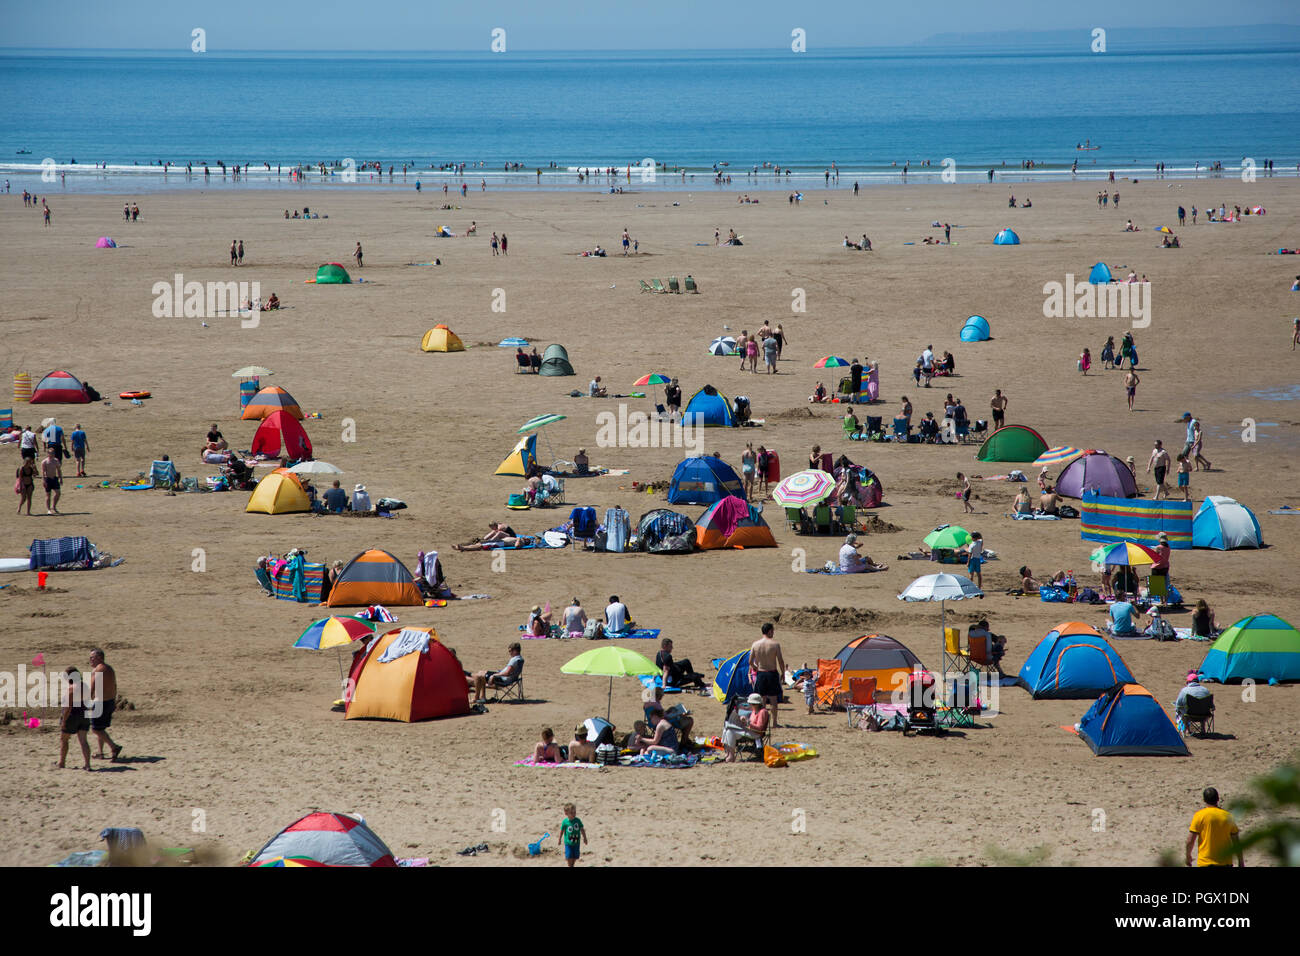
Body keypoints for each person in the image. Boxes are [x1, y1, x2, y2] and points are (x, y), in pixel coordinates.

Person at [1186, 788, 1243, 867]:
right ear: (1218, 799)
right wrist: (1241, 861)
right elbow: (1236, 842)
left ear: (1204, 800)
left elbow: (1190, 841)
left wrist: (1188, 856)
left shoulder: (1199, 816)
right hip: (1225, 863)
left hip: (1205, 862)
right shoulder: (1228, 816)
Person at [750, 622, 786, 728]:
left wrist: (755, 668)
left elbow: (750, 661)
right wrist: (783, 672)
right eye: (773, 631)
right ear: (769, 631)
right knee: (773, 700)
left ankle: (762, 722)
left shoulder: (755, 644)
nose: (773, 633)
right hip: (771, 673)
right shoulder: (775, 644)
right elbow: (780, 660)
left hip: (761, 673)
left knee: (762, 700)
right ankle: (774, 723)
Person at [88, 648, 122, 761]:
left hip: (100, 703)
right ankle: (100, 753)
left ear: (99, 658)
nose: (90, 660)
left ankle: (114, 747)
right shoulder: (109, 669)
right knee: (101, 728)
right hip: (110, 701)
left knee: (96, 729)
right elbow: (115, 685)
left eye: (92, 657)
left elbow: (92, 687)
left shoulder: (97, 670)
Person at [58, 667, 92, 771]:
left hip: (72, 716)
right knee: (83, 741)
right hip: (84, 714)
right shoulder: (85, 686)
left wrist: (64, 720)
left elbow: (68, 707)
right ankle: (87, 764)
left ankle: (62, 762)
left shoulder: (71, 688)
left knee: (64, 740)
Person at [723, 693, 770, 762]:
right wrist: (743, 721)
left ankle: (731, 756)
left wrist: (748, 723)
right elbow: (750, 723)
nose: (750, 705)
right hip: (749, 730)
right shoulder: (754, 710)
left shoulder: (762, 712)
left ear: (756, 704)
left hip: (756, 734)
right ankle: (728, 753)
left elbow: (760, 728)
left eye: (751, 704)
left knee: (730, 731)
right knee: (726, 729)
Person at [561, 803, 588, 867]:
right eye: (571, 813)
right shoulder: (565, 822)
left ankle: (572, 865)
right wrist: (559, 839)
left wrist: (585, 838)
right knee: (569, 856)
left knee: (575, 857)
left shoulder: (578, 821)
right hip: (568, 843)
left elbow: (582, 829)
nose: (574, 814)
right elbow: (562, 831)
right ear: (566, 813)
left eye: (574, 812)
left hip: (576, 842)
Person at [41, 447, 62, 515]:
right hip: (48, 479)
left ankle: (54, 506)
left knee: (58, 493)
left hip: (54, 478)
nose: (52, 454)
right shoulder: (45, 462)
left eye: (53, 453)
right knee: (48, 495)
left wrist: (60, 478)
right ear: (48, 454)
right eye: (51, 453)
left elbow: (59, 470)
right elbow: (43, 472)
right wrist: (44, 480)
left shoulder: (56, 460)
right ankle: (48, 509)